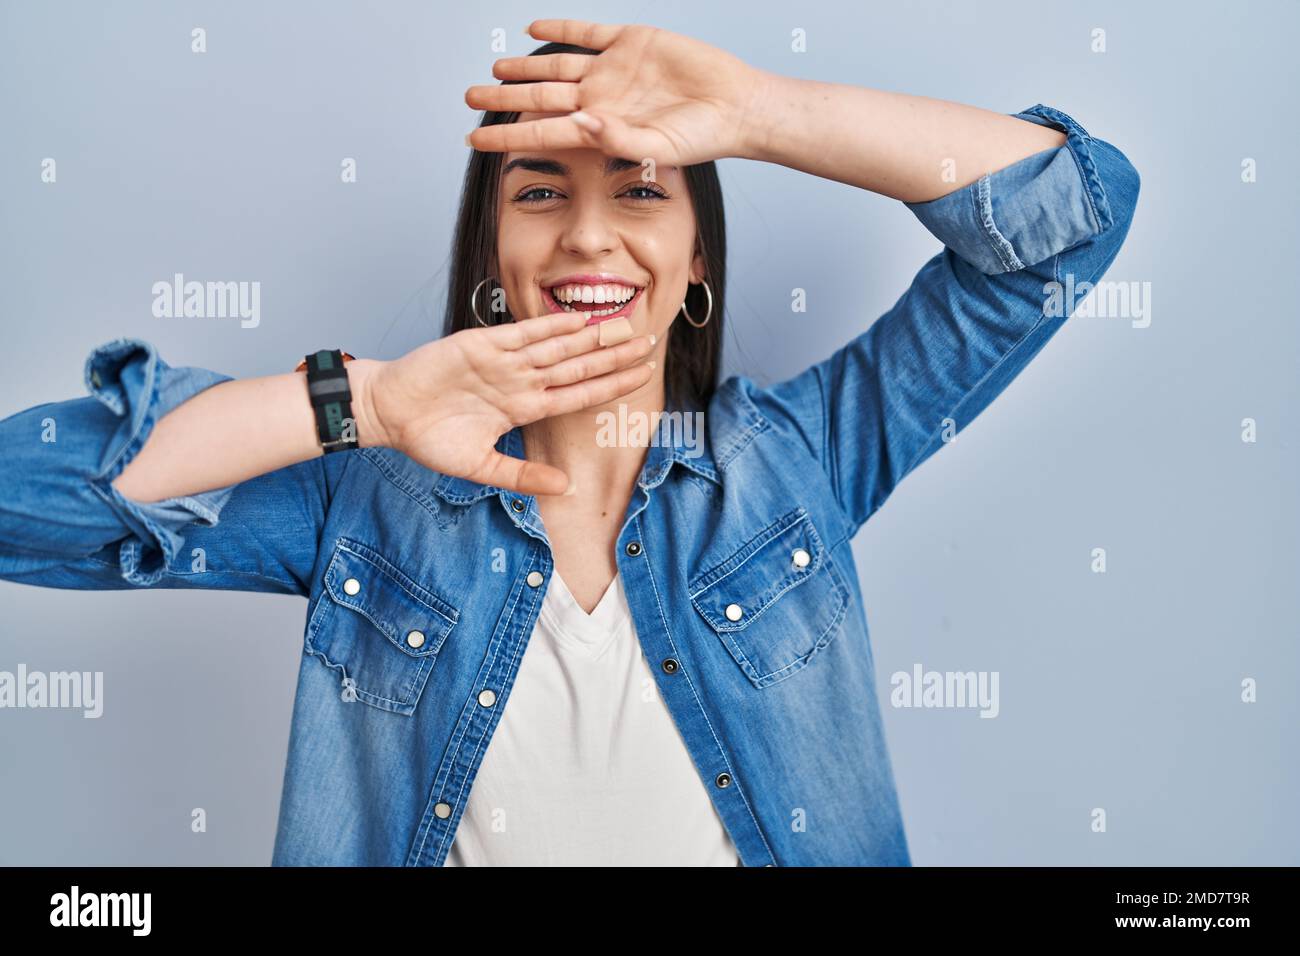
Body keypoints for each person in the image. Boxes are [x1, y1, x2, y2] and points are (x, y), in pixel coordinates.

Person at [0, 19, 1139, 866]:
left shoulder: (801, 461)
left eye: (641, 191)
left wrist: (759, 112)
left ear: (698, 257)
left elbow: (1073, 218)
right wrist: (373, 404)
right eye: (540, 193)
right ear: (493, 249)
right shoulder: (369, 500)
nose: (589, 233)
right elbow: (29, 501)